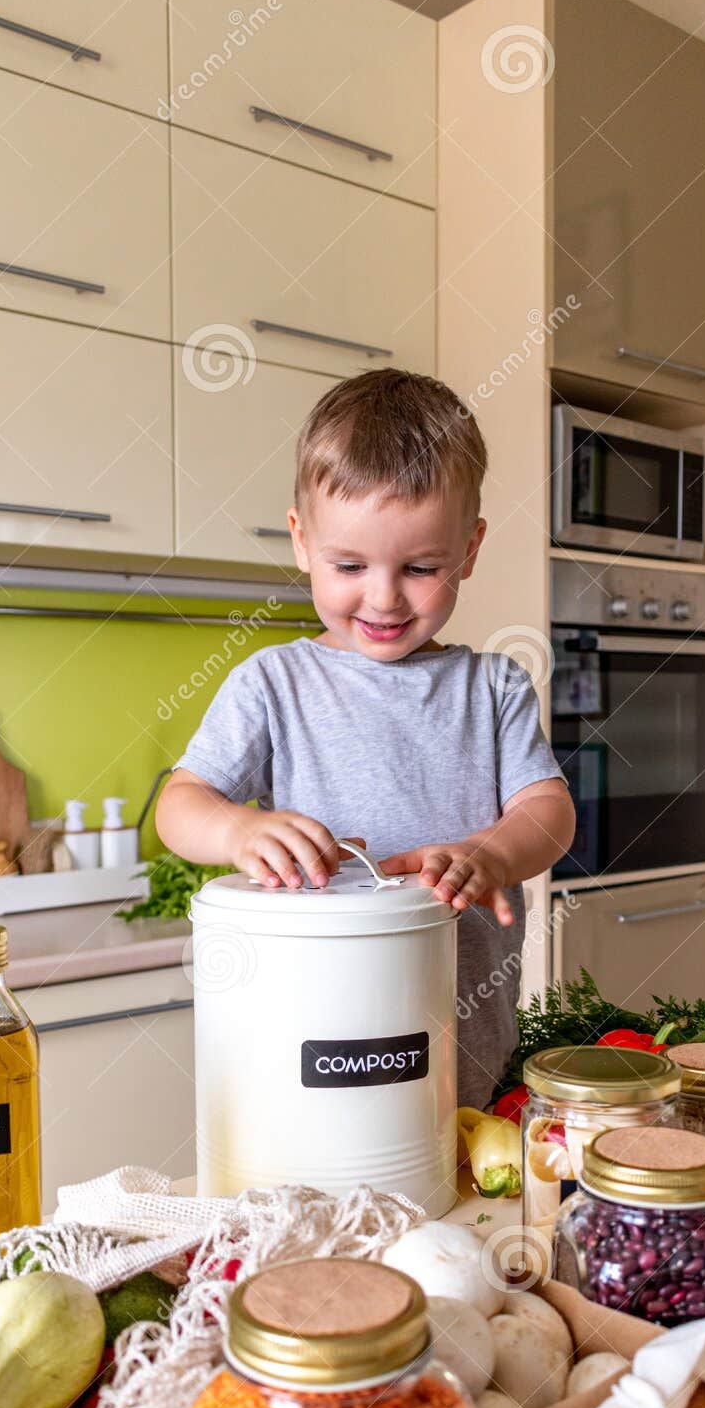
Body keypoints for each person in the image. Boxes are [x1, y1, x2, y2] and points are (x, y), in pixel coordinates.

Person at [156, 368, 575, 1109]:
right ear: (300, 541)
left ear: (470, 549)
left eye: (421, 568)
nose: (383, 597)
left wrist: (490, 853)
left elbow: (548, 813)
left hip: (471, 1056)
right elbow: (178, 804)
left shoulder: (494, 687)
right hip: (315, 1049)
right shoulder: (272, 683)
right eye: (349, 565)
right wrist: (236, 827)